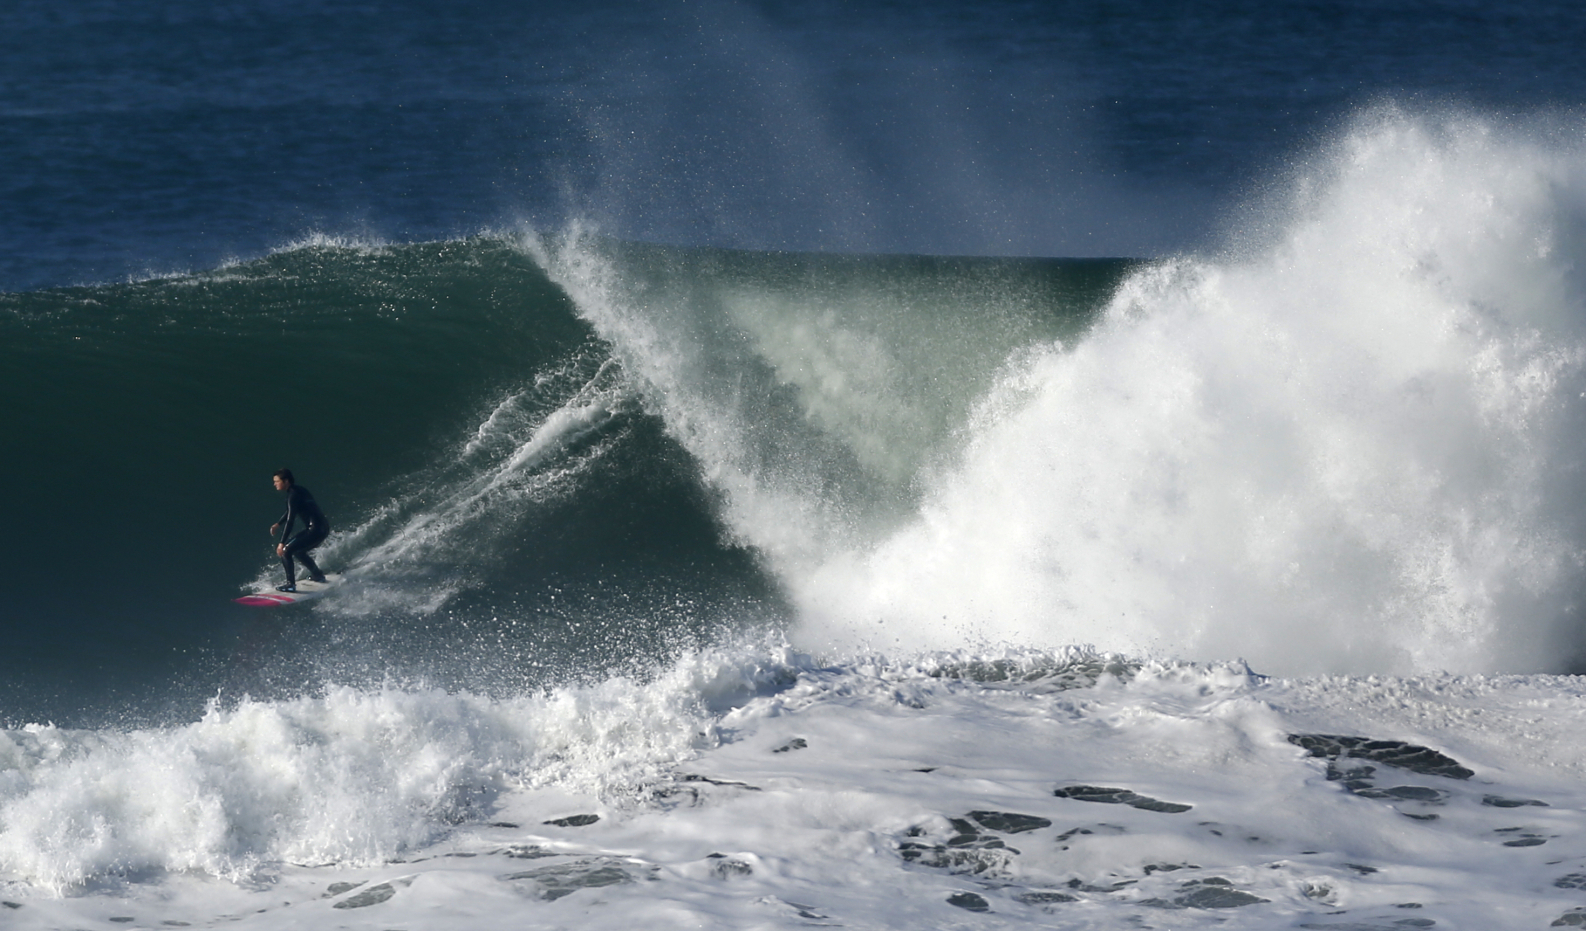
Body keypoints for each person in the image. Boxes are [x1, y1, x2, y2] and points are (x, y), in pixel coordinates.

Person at [269, 468, 330, 592]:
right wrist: (278, 524)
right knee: (298, 551)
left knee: (286, 551)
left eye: (277, 481)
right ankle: (317, 575)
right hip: (322, 528)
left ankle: (290, 585)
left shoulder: (292, 495)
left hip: (315, 530)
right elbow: (290, 511)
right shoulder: (299, 490)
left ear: (285, 481)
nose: (274, 484)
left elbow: (291, 520)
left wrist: (281, 543)